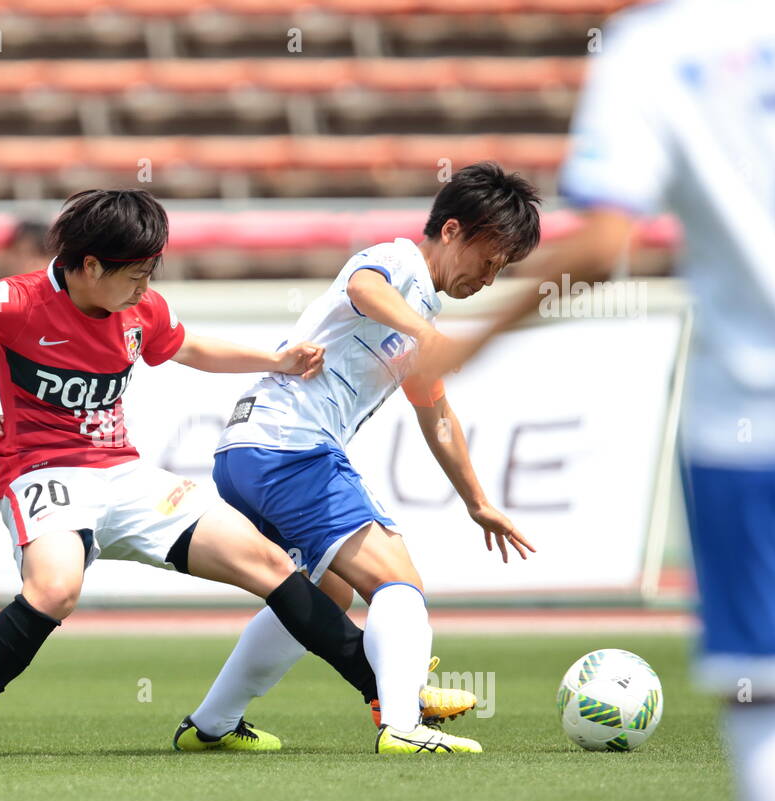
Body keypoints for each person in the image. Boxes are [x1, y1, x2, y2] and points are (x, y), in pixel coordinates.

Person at [413, 0, 775, 801]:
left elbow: (601, 248)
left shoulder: (657, 49)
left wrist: (473, 343)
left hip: (759, 424)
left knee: (772, 699)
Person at [0, 188, 405, 760]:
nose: (145, 287)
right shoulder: (18, 300)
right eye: (135, 274)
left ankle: (387, 696)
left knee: (270, 563)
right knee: (55, 589)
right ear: (88, 266)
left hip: (123, 473)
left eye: (151, 272)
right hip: (41, 472)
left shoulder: (140, 307)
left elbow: (192, 348)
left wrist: (276, 360)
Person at [175, 162, 539, 756]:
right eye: (491, 258)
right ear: (451, 231)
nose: (492, 278)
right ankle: (401, 722)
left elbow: (435, 413)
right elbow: (361, 289)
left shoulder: (420, 311)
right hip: (289, 447)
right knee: (396, 578)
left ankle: (211, 724)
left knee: (326, 597)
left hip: (250, 451)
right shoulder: (395, 263)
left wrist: (479, 503)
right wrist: (425, 334)